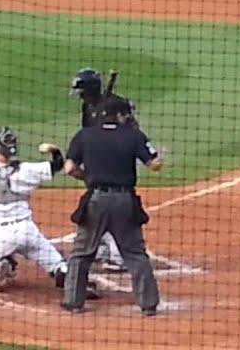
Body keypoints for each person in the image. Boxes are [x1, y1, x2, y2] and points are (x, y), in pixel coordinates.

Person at [0, 127, 99, 299]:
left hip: (0, 233)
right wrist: (55, 151)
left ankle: (1, 265)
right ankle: (73, 283)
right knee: (57, 264)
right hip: (27, 230)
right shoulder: (27, 169)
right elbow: (57, 165)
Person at [61, 96, 163, 315]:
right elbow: (154, 165)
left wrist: (87, 177)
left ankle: (73, 301)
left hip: (95, 200)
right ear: (120, 115)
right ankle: (148, 305)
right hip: (124, 201)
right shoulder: (133, 135)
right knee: (135, 253)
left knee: (81, 254)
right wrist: (160, 154)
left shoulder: (84, 135)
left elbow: (69, 168)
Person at [70, 68, 129, 272]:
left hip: (118, 159)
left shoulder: (115, 104)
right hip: (98, 159)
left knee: (107, 203)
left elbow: (129, 132)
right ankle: (102, 247)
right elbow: (89, 133)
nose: (80, 97)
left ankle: (118, 255)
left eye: (82, 92)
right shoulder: (89, 107)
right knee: (94, 202)